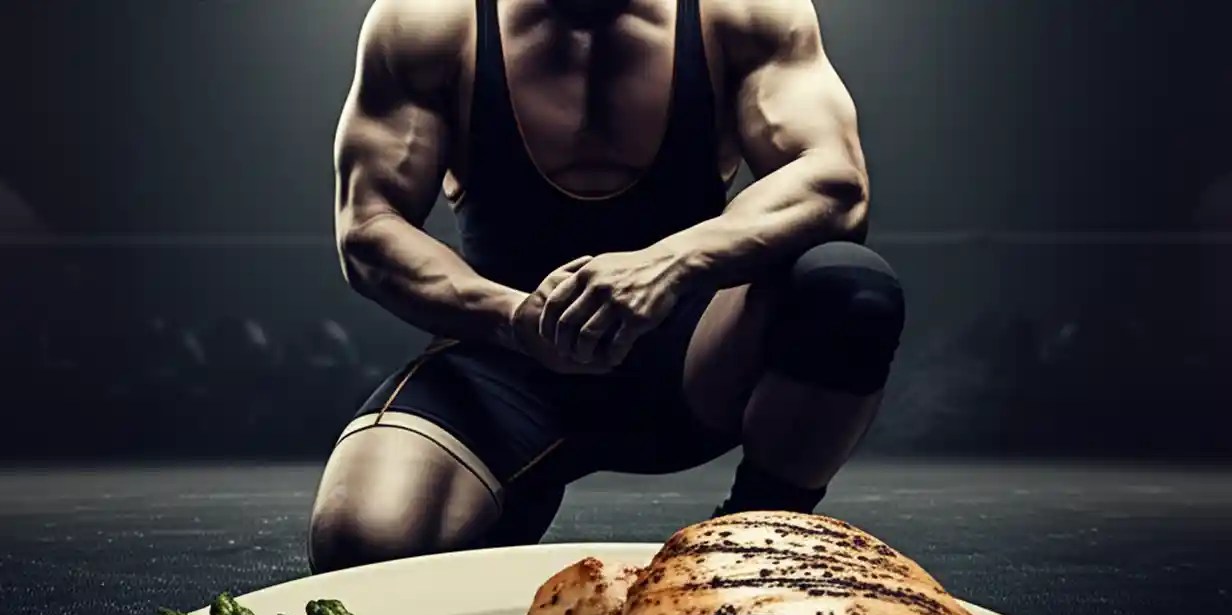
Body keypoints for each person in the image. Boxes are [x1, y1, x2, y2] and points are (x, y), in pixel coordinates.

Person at [308, 0, 905, 572]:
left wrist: (666, 265)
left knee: (850, 290)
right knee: (358, 544)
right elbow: (368, 229)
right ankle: (511, 492)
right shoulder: (428, 21)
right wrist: (514, 318)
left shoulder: (742, 10)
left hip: (693, 357)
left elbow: (834, 182)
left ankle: (753, 546)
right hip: (508, 357)